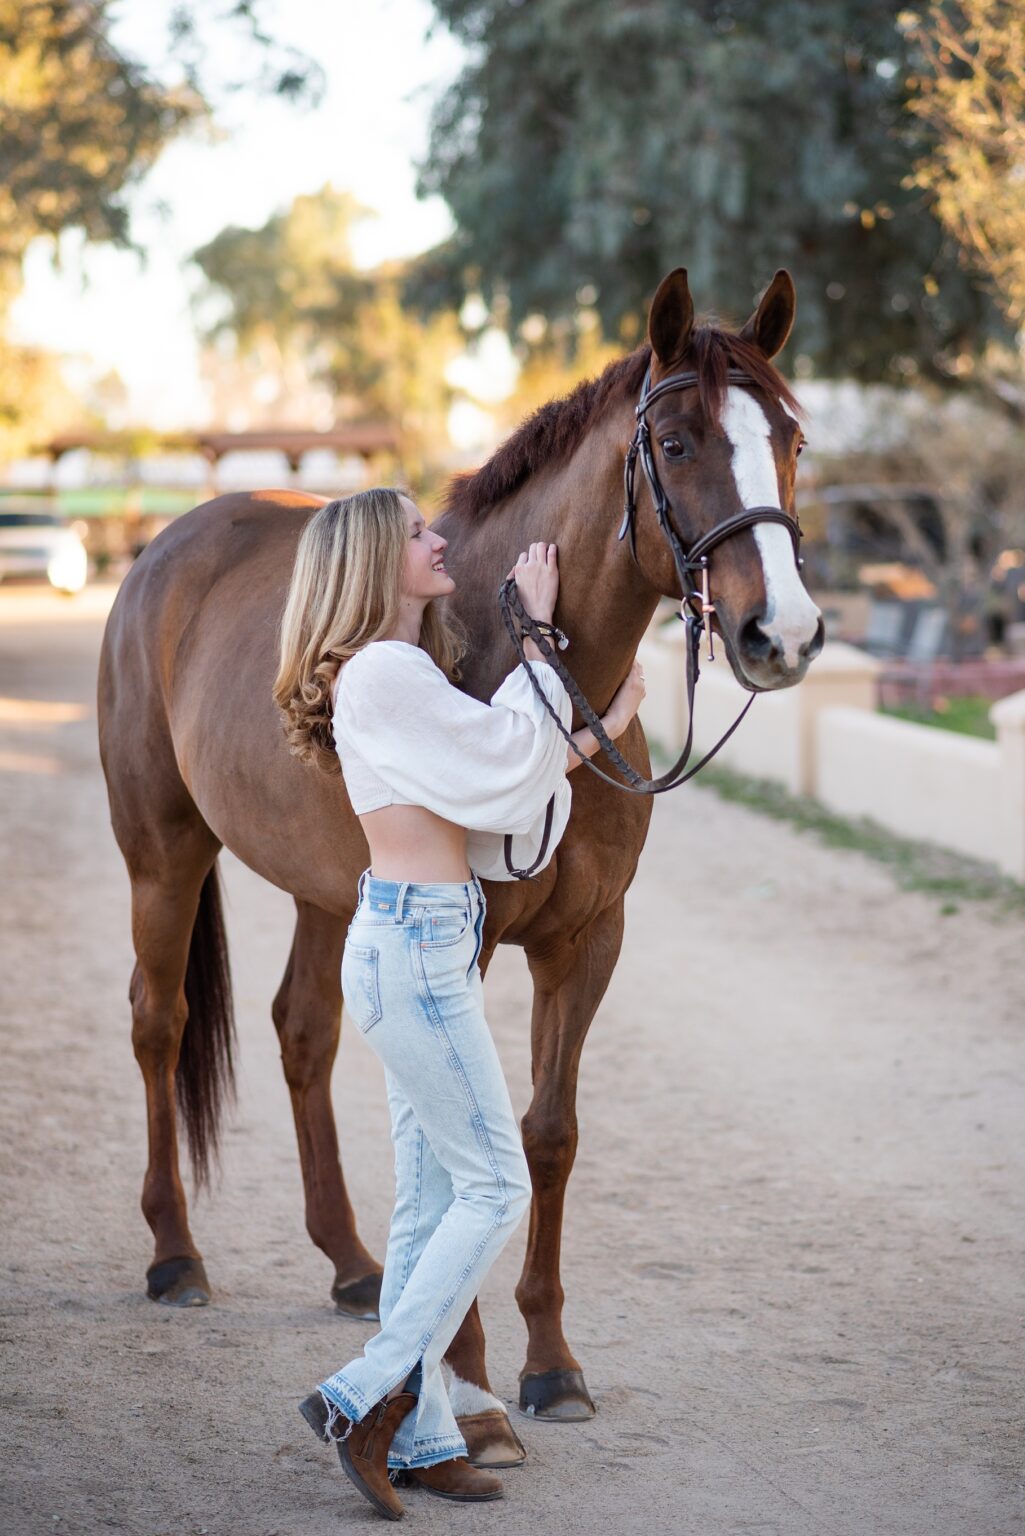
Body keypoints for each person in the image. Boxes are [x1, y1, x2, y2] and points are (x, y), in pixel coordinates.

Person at [273, 486, 644, 1520]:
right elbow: (505, 765)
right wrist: (535, 631)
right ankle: (361, 1395)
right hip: (418, 947)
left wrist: (601, 727)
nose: (440, 542)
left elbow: (494, 781)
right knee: (494, 1186)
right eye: (417, 533)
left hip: (419, 938)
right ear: (372, 563)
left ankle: (425, 1435)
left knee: (430, 1203)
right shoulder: (385, 671)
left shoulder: (396, 672)